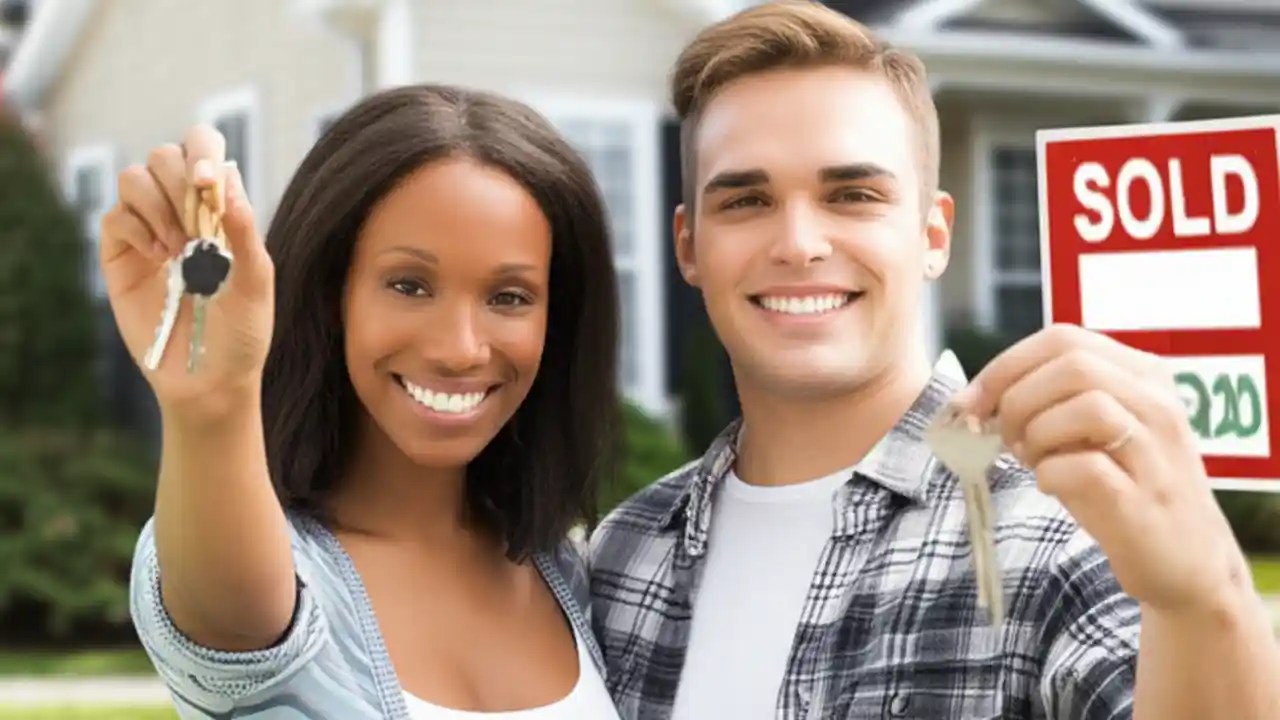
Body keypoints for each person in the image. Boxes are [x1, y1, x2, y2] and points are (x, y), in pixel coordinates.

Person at [588, 2, 1280, 719]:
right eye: (747, 200)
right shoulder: (624, 551)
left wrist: (1207, 600)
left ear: (933, 234)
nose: (798, 243)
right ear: (689, 247)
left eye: (852, 195)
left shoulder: (1065, 530)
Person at [104, 84, 625, 718]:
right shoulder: (270, 569)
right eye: (409, 284)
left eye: (509, 297)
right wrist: (212, 398)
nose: (460, 349)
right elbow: (234, 628)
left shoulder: (567, 571)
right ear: (333, 294)